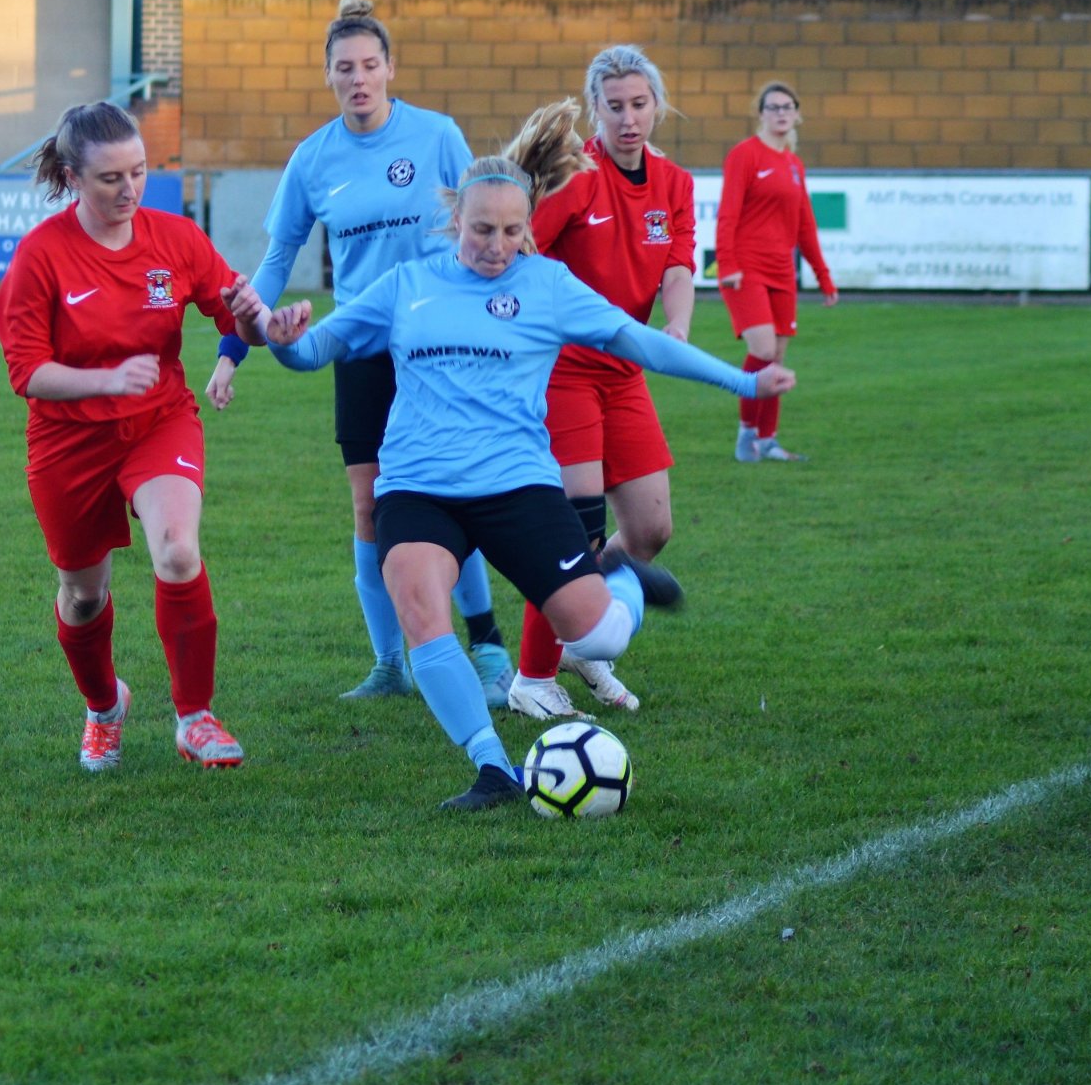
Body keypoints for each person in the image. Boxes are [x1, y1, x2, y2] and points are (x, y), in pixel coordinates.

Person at [241, 99, 795, 812]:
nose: (496, 245)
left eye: (510, 230)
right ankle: (492, 767)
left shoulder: (548, 287)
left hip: (516, 486)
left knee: (598, 632)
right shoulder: (408, 286)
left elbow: (644, 343)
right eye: (480, 230)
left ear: (528, 227)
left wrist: (744, 379)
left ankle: (621, 575)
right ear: (453, 221)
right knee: (419, 601)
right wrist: (283, 337)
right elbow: (316, 351)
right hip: (419, 484)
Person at [204, 0, 511, 706]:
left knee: (451, 496)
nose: (359, 78)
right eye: (345, 67)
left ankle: (489, 648)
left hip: (440, 347)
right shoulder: (314, 159)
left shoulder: (437, 136)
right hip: (363, 348)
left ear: (390, 68)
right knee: (371, 508)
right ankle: (387, 663)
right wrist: (233, 348)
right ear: (329, 75)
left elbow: (488, 224)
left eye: (371, 64)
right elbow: (278, 257)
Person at [0, 101, 255, 772]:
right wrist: (106, 379)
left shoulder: (174, 238)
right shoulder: (41, 256)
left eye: (139, 172)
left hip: (157, 418)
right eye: (111, 177)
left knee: (177, 550)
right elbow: (28, 372)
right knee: (83, 595)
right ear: (75, 177)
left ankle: (196, 716)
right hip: (68, 443)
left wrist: (261, 324)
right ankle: (105, 708)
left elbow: (233, 311)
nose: (129, 189)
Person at [507, 45, 696, 720]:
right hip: (564, 371)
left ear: (657, 106)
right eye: (614, 106)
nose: (628, 118)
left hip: (626, 372)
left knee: (649, 528)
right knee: (575, 531)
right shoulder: (576, 179)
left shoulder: (674, 183)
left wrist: (675, 326)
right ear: (595, 109)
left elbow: (678, 265)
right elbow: (517, 249)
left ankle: (582, 631)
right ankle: (532, 677)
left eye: (639, 104)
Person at [716, 81, 838, 461]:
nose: (781, 112)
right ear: (761, 113)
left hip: (783, 271)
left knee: (777, 360)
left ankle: (768, 440)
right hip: (746, 269)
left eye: (788, 106)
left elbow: (805, 226)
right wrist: (728, 264)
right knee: (763, 350)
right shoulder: (745, 155)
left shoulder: (794, 164)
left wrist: (823, 276)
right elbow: (728, 213)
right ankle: (746, 435)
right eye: (773, 107)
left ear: (797, 113)